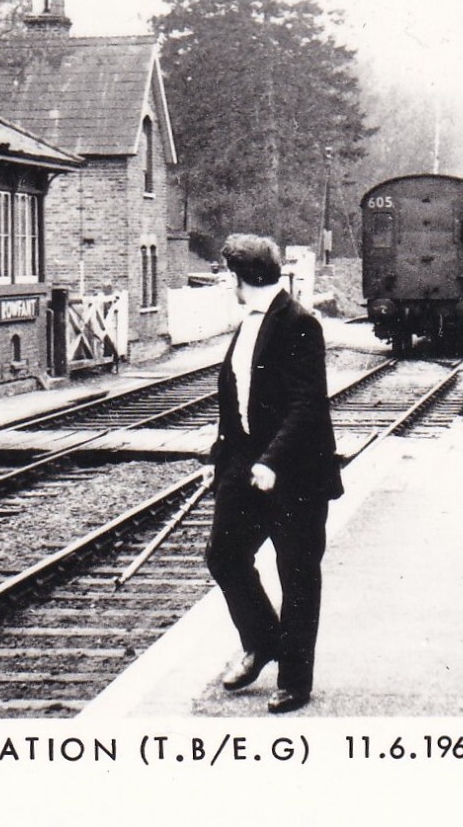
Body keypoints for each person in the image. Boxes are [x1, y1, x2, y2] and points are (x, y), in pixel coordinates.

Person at [202, 233, 343, 714]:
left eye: (228, 276)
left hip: (296, 470)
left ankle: (295, 680)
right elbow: (238, 401)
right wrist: (221, 460)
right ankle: (262, 641)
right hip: (245, 461)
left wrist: (270, 463)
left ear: (240, 277)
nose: (227, 284)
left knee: (298, 572)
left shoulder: (300, 323)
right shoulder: (246, 324)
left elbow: (306, 406)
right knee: (224, 555)